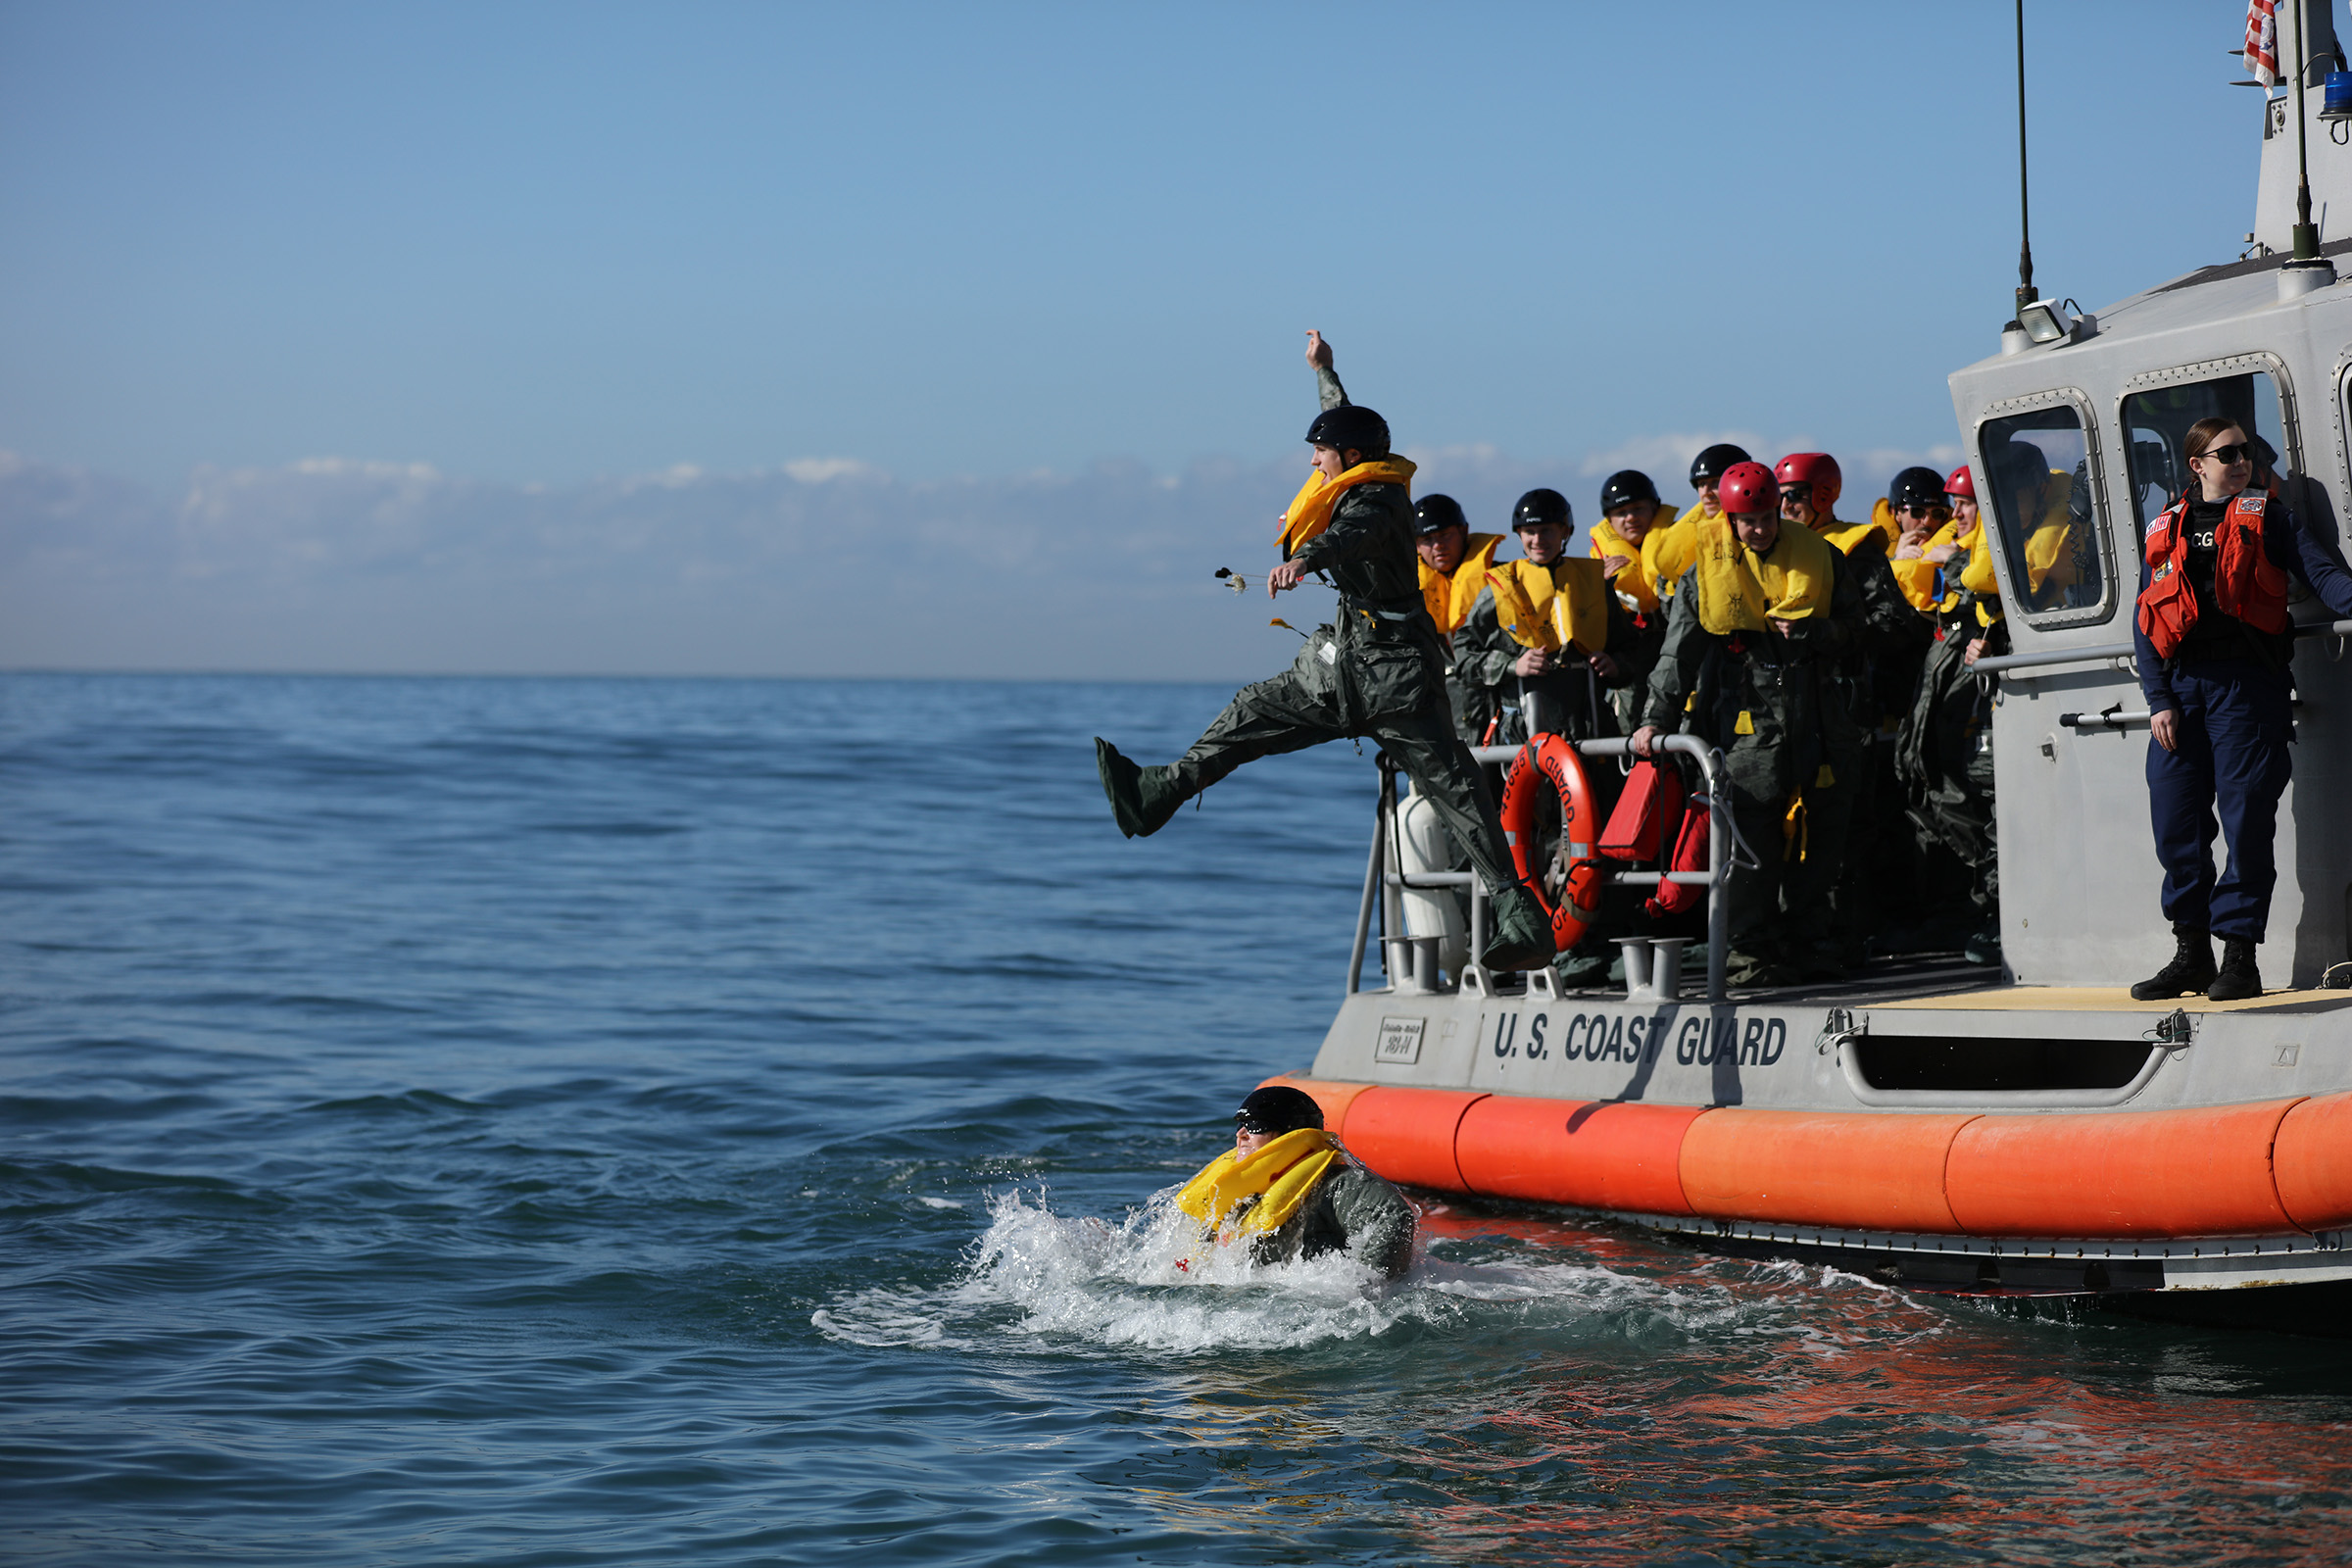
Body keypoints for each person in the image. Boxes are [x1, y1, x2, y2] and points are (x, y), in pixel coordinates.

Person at [1094, 331, 1559, 972]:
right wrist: (1325, 370)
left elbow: (1349, 534)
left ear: (1352, 457)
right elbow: (1344, 421)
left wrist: (1304, 560)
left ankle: (1521, 919)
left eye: (1321, 453)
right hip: (1354, 665)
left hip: (1392, 678)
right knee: (1257, 713)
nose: (1314, 463)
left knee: (1451, 789)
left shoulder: (1379, 502)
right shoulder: (1361, 471)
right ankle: (1158, 794)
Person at [2130, 417, 2352, 1001]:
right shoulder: (2166, 528)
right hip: (2182, 693)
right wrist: (2159, 699)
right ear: (2197, 465)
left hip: (2246, 689)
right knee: (2176, 825)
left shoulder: (2271, 519)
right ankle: (2191, 954)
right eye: (2227, 453)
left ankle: (2239, 958)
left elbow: (2325, 577)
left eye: (2246, 451)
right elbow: (2146, 621)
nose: (2242, 461)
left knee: (2247, 821)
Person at [1630, 462, 1865, 985]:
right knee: (1748, 843)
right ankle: (1748, 956)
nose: (1759, 529)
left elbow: (1856, 631)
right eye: (1748, 521)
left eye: (1766, 518)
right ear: (1731, 521)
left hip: (1821, 720)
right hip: (1748, 726)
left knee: (1821, 838)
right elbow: (1678, 654)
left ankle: (1810, 944)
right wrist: (1654, 721)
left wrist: (1813, 632)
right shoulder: (1703, 575)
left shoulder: (1823, 557)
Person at [1776, 453, 1932, 971]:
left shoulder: (1856, 548)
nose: (1785, 506)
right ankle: (1794, 934)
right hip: (1786, 708)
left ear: (1822, 496)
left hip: (1843, 708)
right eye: (1780, 497)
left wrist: (1829, 635)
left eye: (1794, 496)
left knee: (1847, 827)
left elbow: (1893, 625)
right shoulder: (1773, 548)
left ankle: (1843, 937)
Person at [1893, 463, 2006, 963]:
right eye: (1953, 505)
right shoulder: (1950, 549)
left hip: (1973, 685)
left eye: (1963, 505)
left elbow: (1995, 595)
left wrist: (1950, 560)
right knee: (1923, 781)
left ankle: (1996, 909)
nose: (1954, 515)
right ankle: (1960, 909)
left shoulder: (1986, 554)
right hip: (1940, 676)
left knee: (1973, 793)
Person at [1453, 488, 1647, 746]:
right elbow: (1464, 659)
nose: (1538, 540)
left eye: (1546, 530)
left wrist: (1615, 665)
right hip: (1520, 739)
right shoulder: (1499, 590)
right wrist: (1513, 666)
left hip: (1591, 731)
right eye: (1529, 532)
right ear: (1519, 534)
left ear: (1565, 531)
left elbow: (1632, 650)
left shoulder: (1595, 585)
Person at [1174, 1084, 1415, 1280]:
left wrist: (1368, 1289)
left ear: (1291, 1134)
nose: (1241, 1134)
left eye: (1256, 1126)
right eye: (1240, 1125)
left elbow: (1392, 1216)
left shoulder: (1338, 1183)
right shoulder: (1237, 1193)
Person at [1587, 469, 1676, 731]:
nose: (1630, 518)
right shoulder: (1592, 571)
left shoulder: (1681, 552)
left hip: (1675, 665)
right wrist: (1599, 587)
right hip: (1628, 678)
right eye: (1621, 512)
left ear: (1654, 508)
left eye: (1638, 509)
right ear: (1609, 520)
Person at [1413, 493, 1505, 744]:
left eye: (1445, 535)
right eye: (1427, 539)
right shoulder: (1408, 599)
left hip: (1501, 714)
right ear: (1416, 546)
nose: (1438, 546)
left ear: (1464, 531)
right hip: (1448, 721)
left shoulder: (1504, 580)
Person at [1647, 442, 1754, 602]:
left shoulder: (1758, 533)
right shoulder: (1694, 532)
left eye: (1715, 482)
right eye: (1702, 484)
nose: (1706, 492)